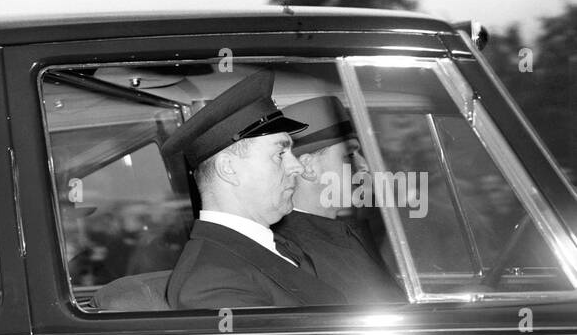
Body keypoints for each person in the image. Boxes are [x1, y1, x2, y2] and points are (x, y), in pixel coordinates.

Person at [128, 71, 343, 309]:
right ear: (228, 168)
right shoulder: (213, 283)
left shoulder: (277, 246)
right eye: (280, 154)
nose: (296, 166)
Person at [271, 96, 407, 304]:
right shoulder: (287, 251)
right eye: (349, 156)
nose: (364, 166)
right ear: (308, 168)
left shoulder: (343, 232)